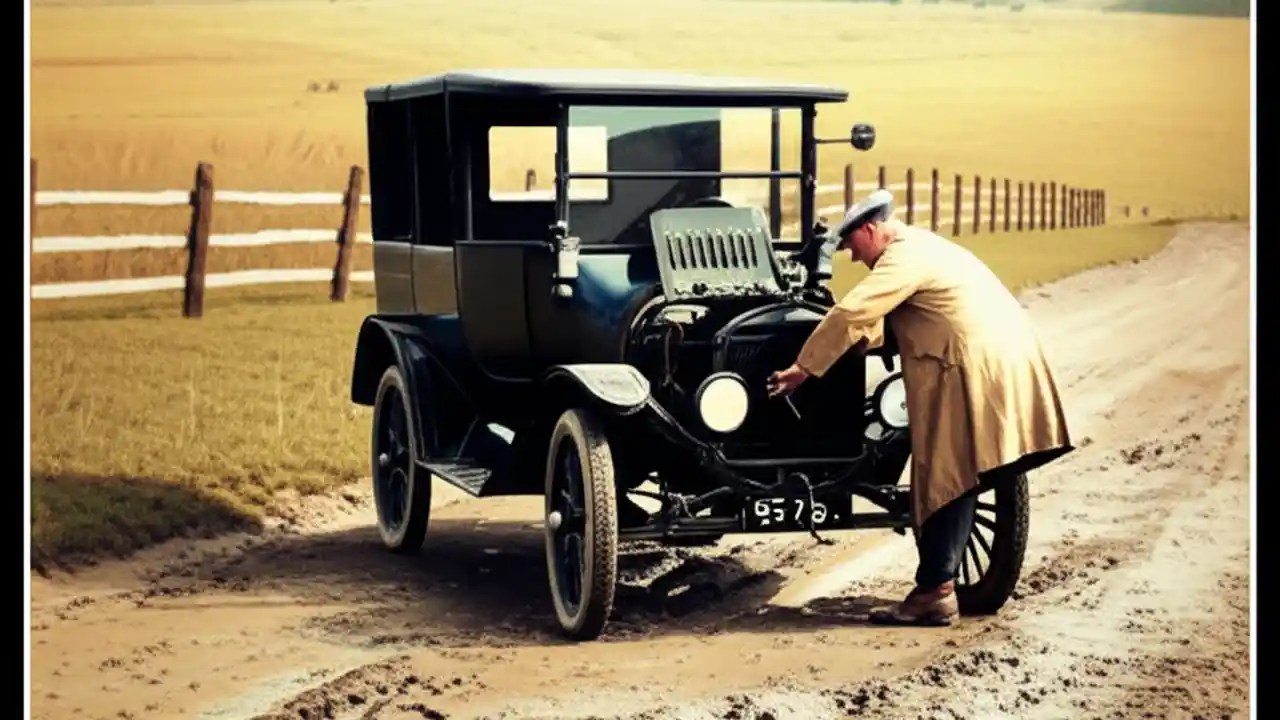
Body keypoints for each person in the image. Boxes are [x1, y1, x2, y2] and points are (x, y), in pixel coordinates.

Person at [767, 189, 1073, 626]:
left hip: (969, 366)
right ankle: (938, 584)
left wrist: (802, 367)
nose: (855, 258)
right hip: (999, 357)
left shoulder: (902, 259)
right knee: (967, 472)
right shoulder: (930, 248)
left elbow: (855, 311)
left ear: (870, 230)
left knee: (949, 474)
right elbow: (892, 324)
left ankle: (935, 592)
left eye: (853, 247)